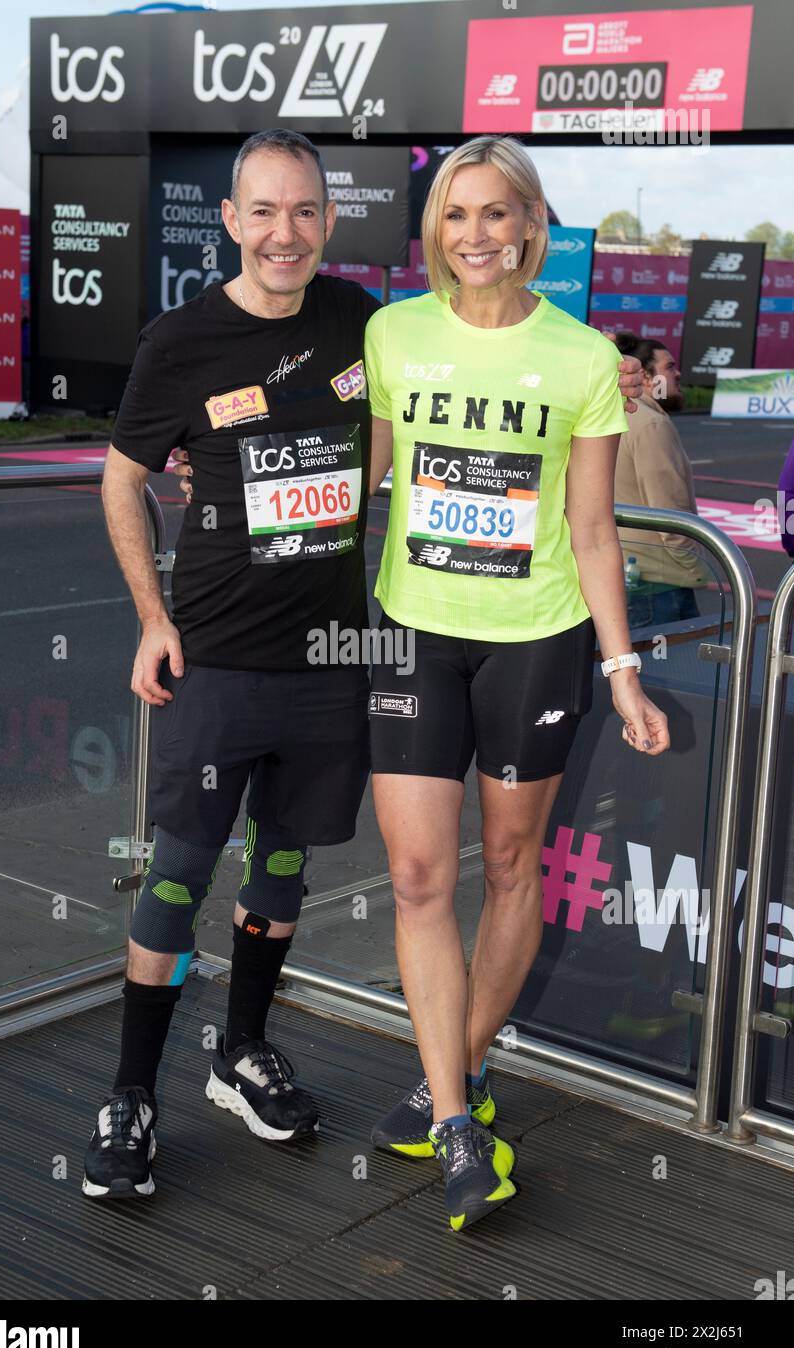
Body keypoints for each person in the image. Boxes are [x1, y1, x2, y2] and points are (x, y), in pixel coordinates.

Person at [360, 135, 671, 1233]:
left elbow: (592, 528)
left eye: (495, 214)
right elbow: (360, 469)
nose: (474, 236)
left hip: (533, 639)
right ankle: (453, 1117)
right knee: (411, 874)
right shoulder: (390, 333)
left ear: (530, 224)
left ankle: (460, 1069)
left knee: (503, 864)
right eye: (455, 215)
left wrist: (622, 673)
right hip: (410, 634)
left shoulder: (582, 356)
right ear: (433, 230)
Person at [84, 129, 381, 1199]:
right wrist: (151, 618)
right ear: (229, 220)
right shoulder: (179, 341)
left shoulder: (362, 320)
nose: (283, 233)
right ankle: (130, 1095)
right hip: (212, 656)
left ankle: (239, 1052)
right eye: (262, 211)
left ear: (327, 221)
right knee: (175, 874)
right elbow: (120, 483)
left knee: (286, 869)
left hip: (328, 661)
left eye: (302, 211)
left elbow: (385, 431)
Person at [611, 333, 710, 627]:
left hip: (621, 576)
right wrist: (694, 569)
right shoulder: (651, 424)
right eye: (669, 367)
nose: (677, 373)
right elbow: (671, 515)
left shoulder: (609, 411)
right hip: (659, 586)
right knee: (674, 670)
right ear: (645, 375)